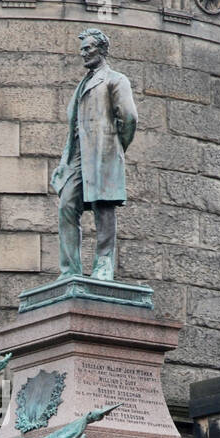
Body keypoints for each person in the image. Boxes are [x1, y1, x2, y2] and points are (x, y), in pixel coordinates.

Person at [51, 28, 138, 282]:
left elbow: (129, 118)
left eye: (88, 48)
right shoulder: (82, 84)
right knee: (67, 204)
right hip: (77, 157)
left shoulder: (115, 79)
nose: (83, 53)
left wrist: (115, 148)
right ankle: (70, 270)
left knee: (104, 206)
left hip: (103, 153)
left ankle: (103, 264)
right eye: (82, 49)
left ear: (101, 49)